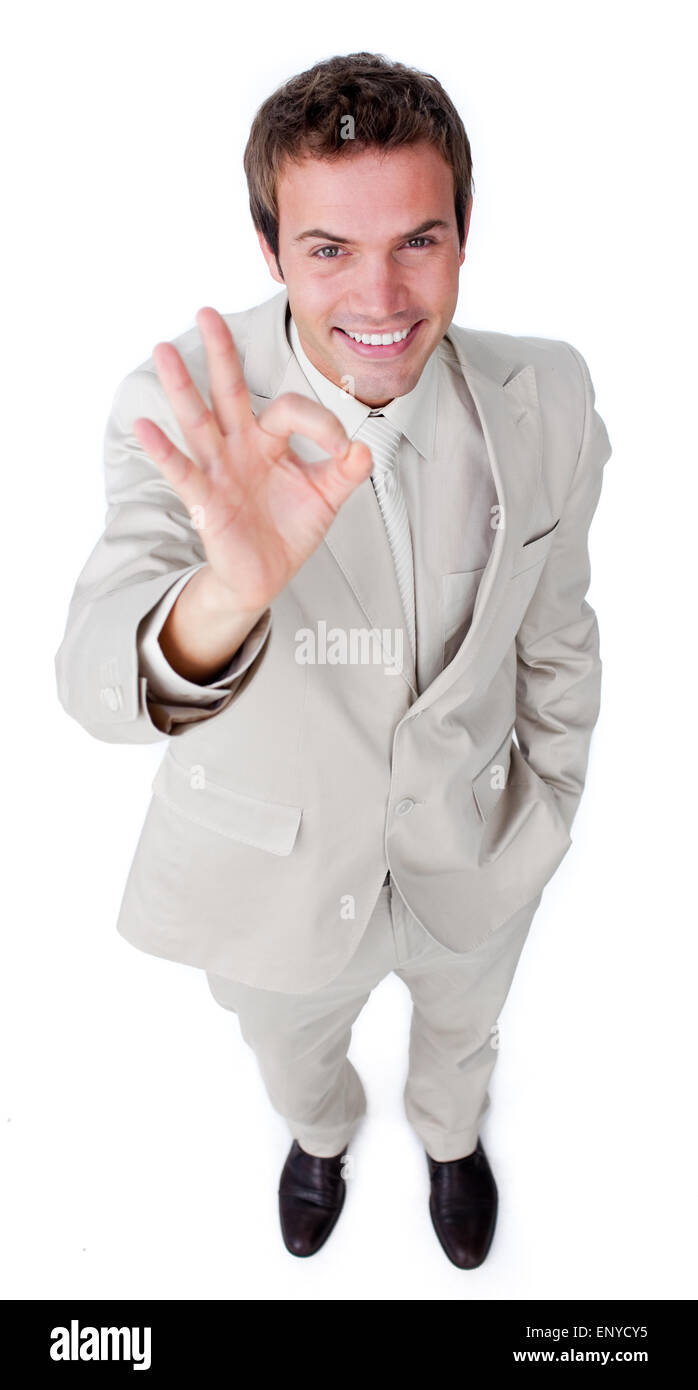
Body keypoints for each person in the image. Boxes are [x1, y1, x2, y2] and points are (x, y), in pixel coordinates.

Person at [54, 51, 612, 1268]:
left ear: (465, 231)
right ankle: (320, 1136)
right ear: (267, 249)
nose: (381, 295)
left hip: (476, 852)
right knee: (294, 1053)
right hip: (275, 889)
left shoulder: (550, 393)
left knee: (464, 1034)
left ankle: (450, 1137)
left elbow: (557, 626)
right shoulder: (182, 407)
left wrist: (551, 799)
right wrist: (229, 591)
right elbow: (96, 674)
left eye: (418, 240)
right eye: (327, 251)